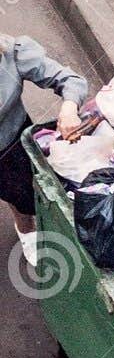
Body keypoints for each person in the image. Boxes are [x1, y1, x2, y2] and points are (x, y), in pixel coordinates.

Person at [0, 33, 87, 267]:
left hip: (16, 141)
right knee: (13, 194)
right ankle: (26, 230)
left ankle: (25, 222)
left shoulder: (11, 53)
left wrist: (69, 109)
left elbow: (68, 79)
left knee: (26, 192)